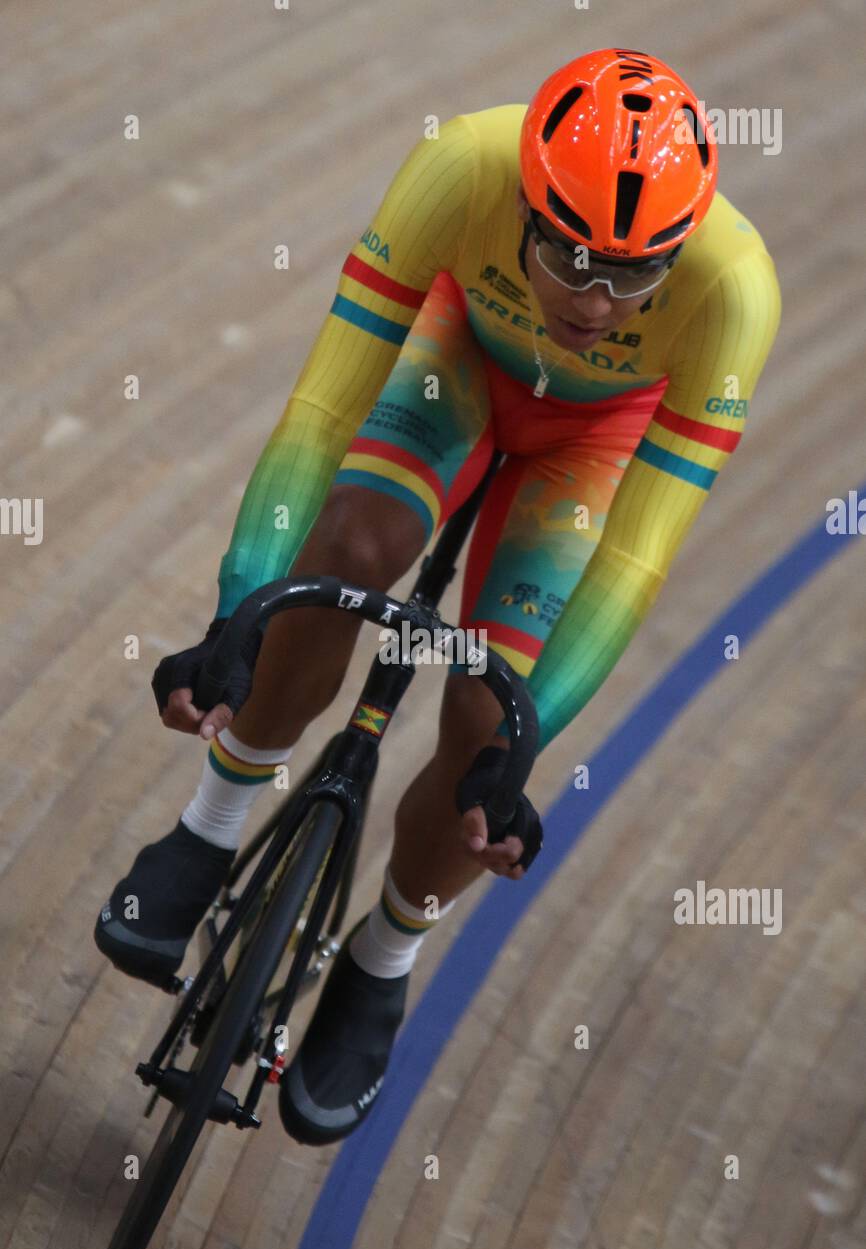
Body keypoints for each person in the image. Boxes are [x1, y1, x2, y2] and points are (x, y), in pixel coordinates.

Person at [95, 49, 781, 1145]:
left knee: (484, 722)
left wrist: (523, 737)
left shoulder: (733, 289)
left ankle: (383, 956)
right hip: (456, 364)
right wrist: (239, 613)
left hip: (583, 449)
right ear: (521, 198)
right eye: (563, 255)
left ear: (680, 250)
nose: (593, 301)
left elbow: (633, 559)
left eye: (631, 273)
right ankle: (210, 825)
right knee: (351, 545)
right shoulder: (459, 163)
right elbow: (322, 415)